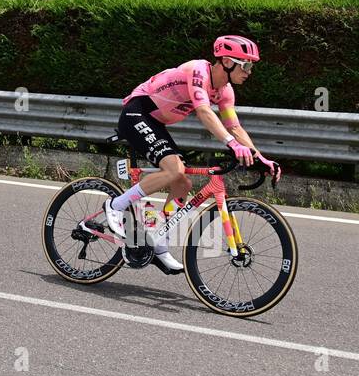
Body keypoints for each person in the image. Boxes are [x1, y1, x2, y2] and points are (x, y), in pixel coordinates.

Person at [86, 35, 282, 274]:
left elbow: (234, 127)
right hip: (137, 113)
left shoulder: (226, 91)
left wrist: (259, 157)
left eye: (252, 66)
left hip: (155, 123)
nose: (250, 71)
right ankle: (116, 205)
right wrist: (232, 144)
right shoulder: (199, 71)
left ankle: (158, 244)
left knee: (182, 183)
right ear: (227, 63)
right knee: (174, 169)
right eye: (246, 65)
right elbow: (203, 111)